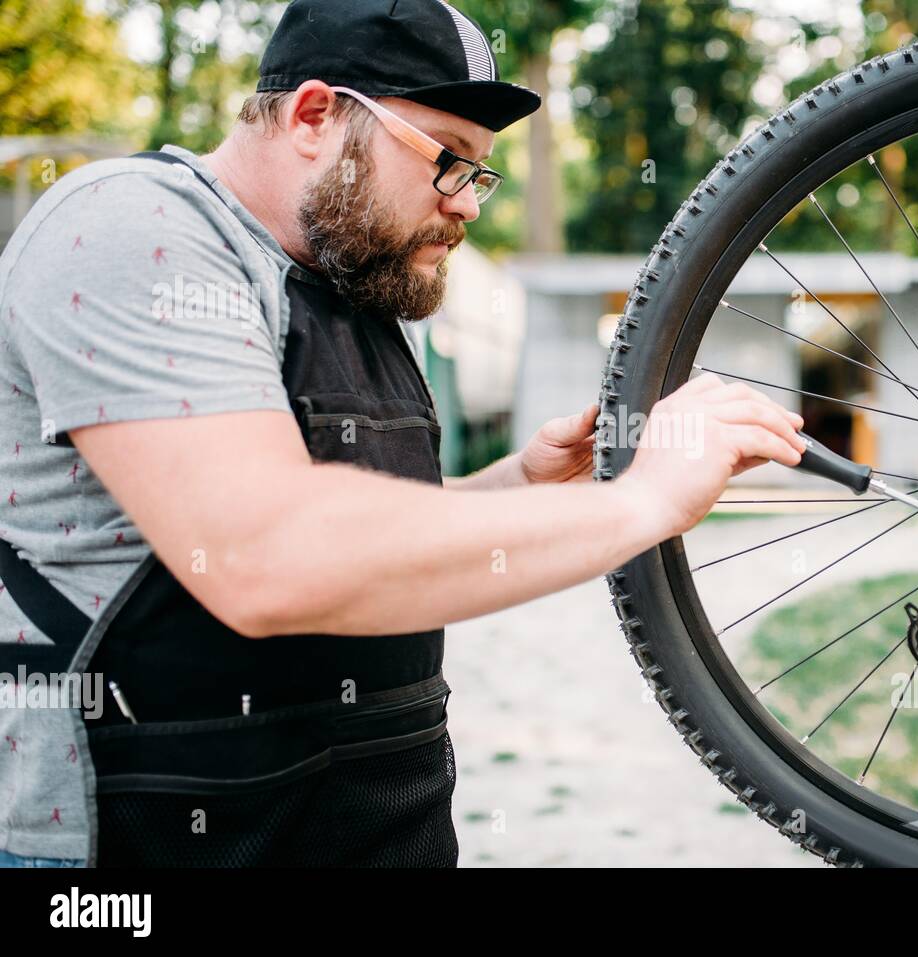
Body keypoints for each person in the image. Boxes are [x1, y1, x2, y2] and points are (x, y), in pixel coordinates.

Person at [0, 0, 805, 866]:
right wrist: (649, 500)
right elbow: (260, 553)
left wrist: (521, 486)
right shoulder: (135, 229)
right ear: (314, 115)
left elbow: (359, 529)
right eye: (447, 161)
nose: (466, 206)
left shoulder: (358, 286)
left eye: (479, 174)